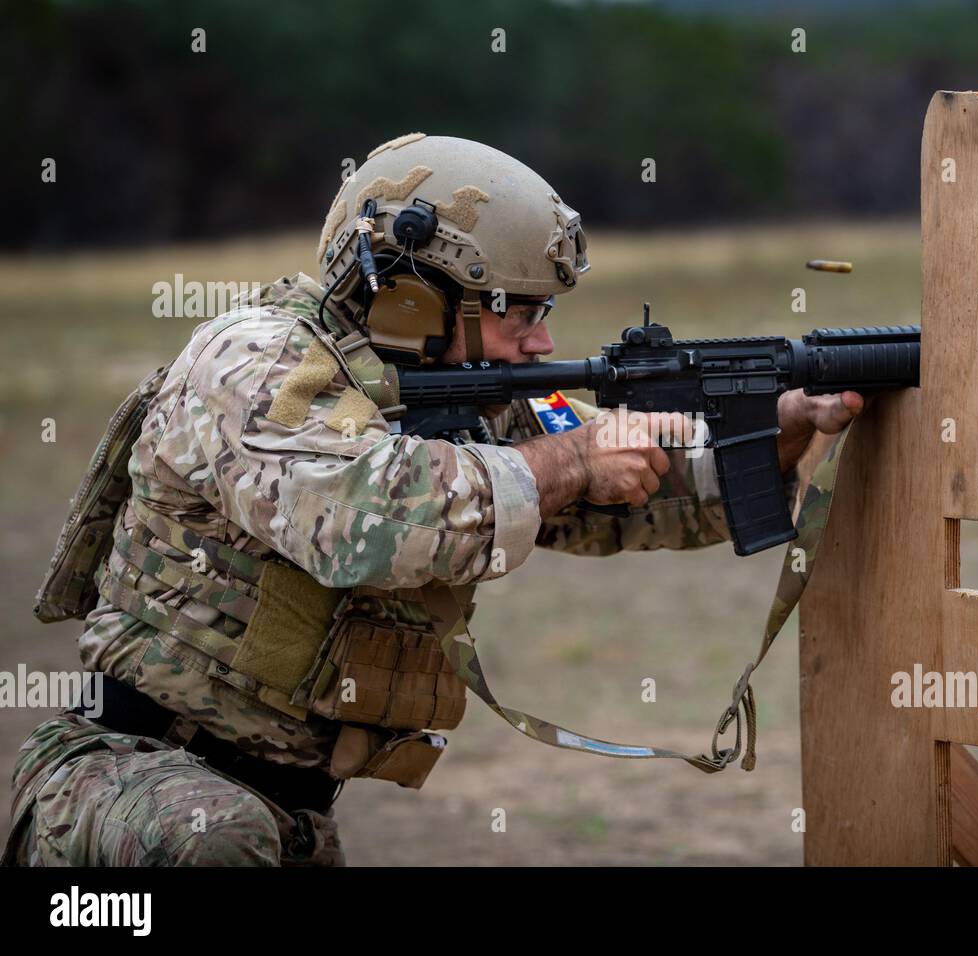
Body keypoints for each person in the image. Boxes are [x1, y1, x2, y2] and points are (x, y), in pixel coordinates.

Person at [4, 134, 861, 866]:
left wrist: (777, 429)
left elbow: (625, 487)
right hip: (127, 789)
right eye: (520, 312)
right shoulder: (252, 359)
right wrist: (570, 458)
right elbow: (361, 521)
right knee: (217, 840)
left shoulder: (468, 389)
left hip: (282, 813)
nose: (544, 341)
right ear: (412, 295)